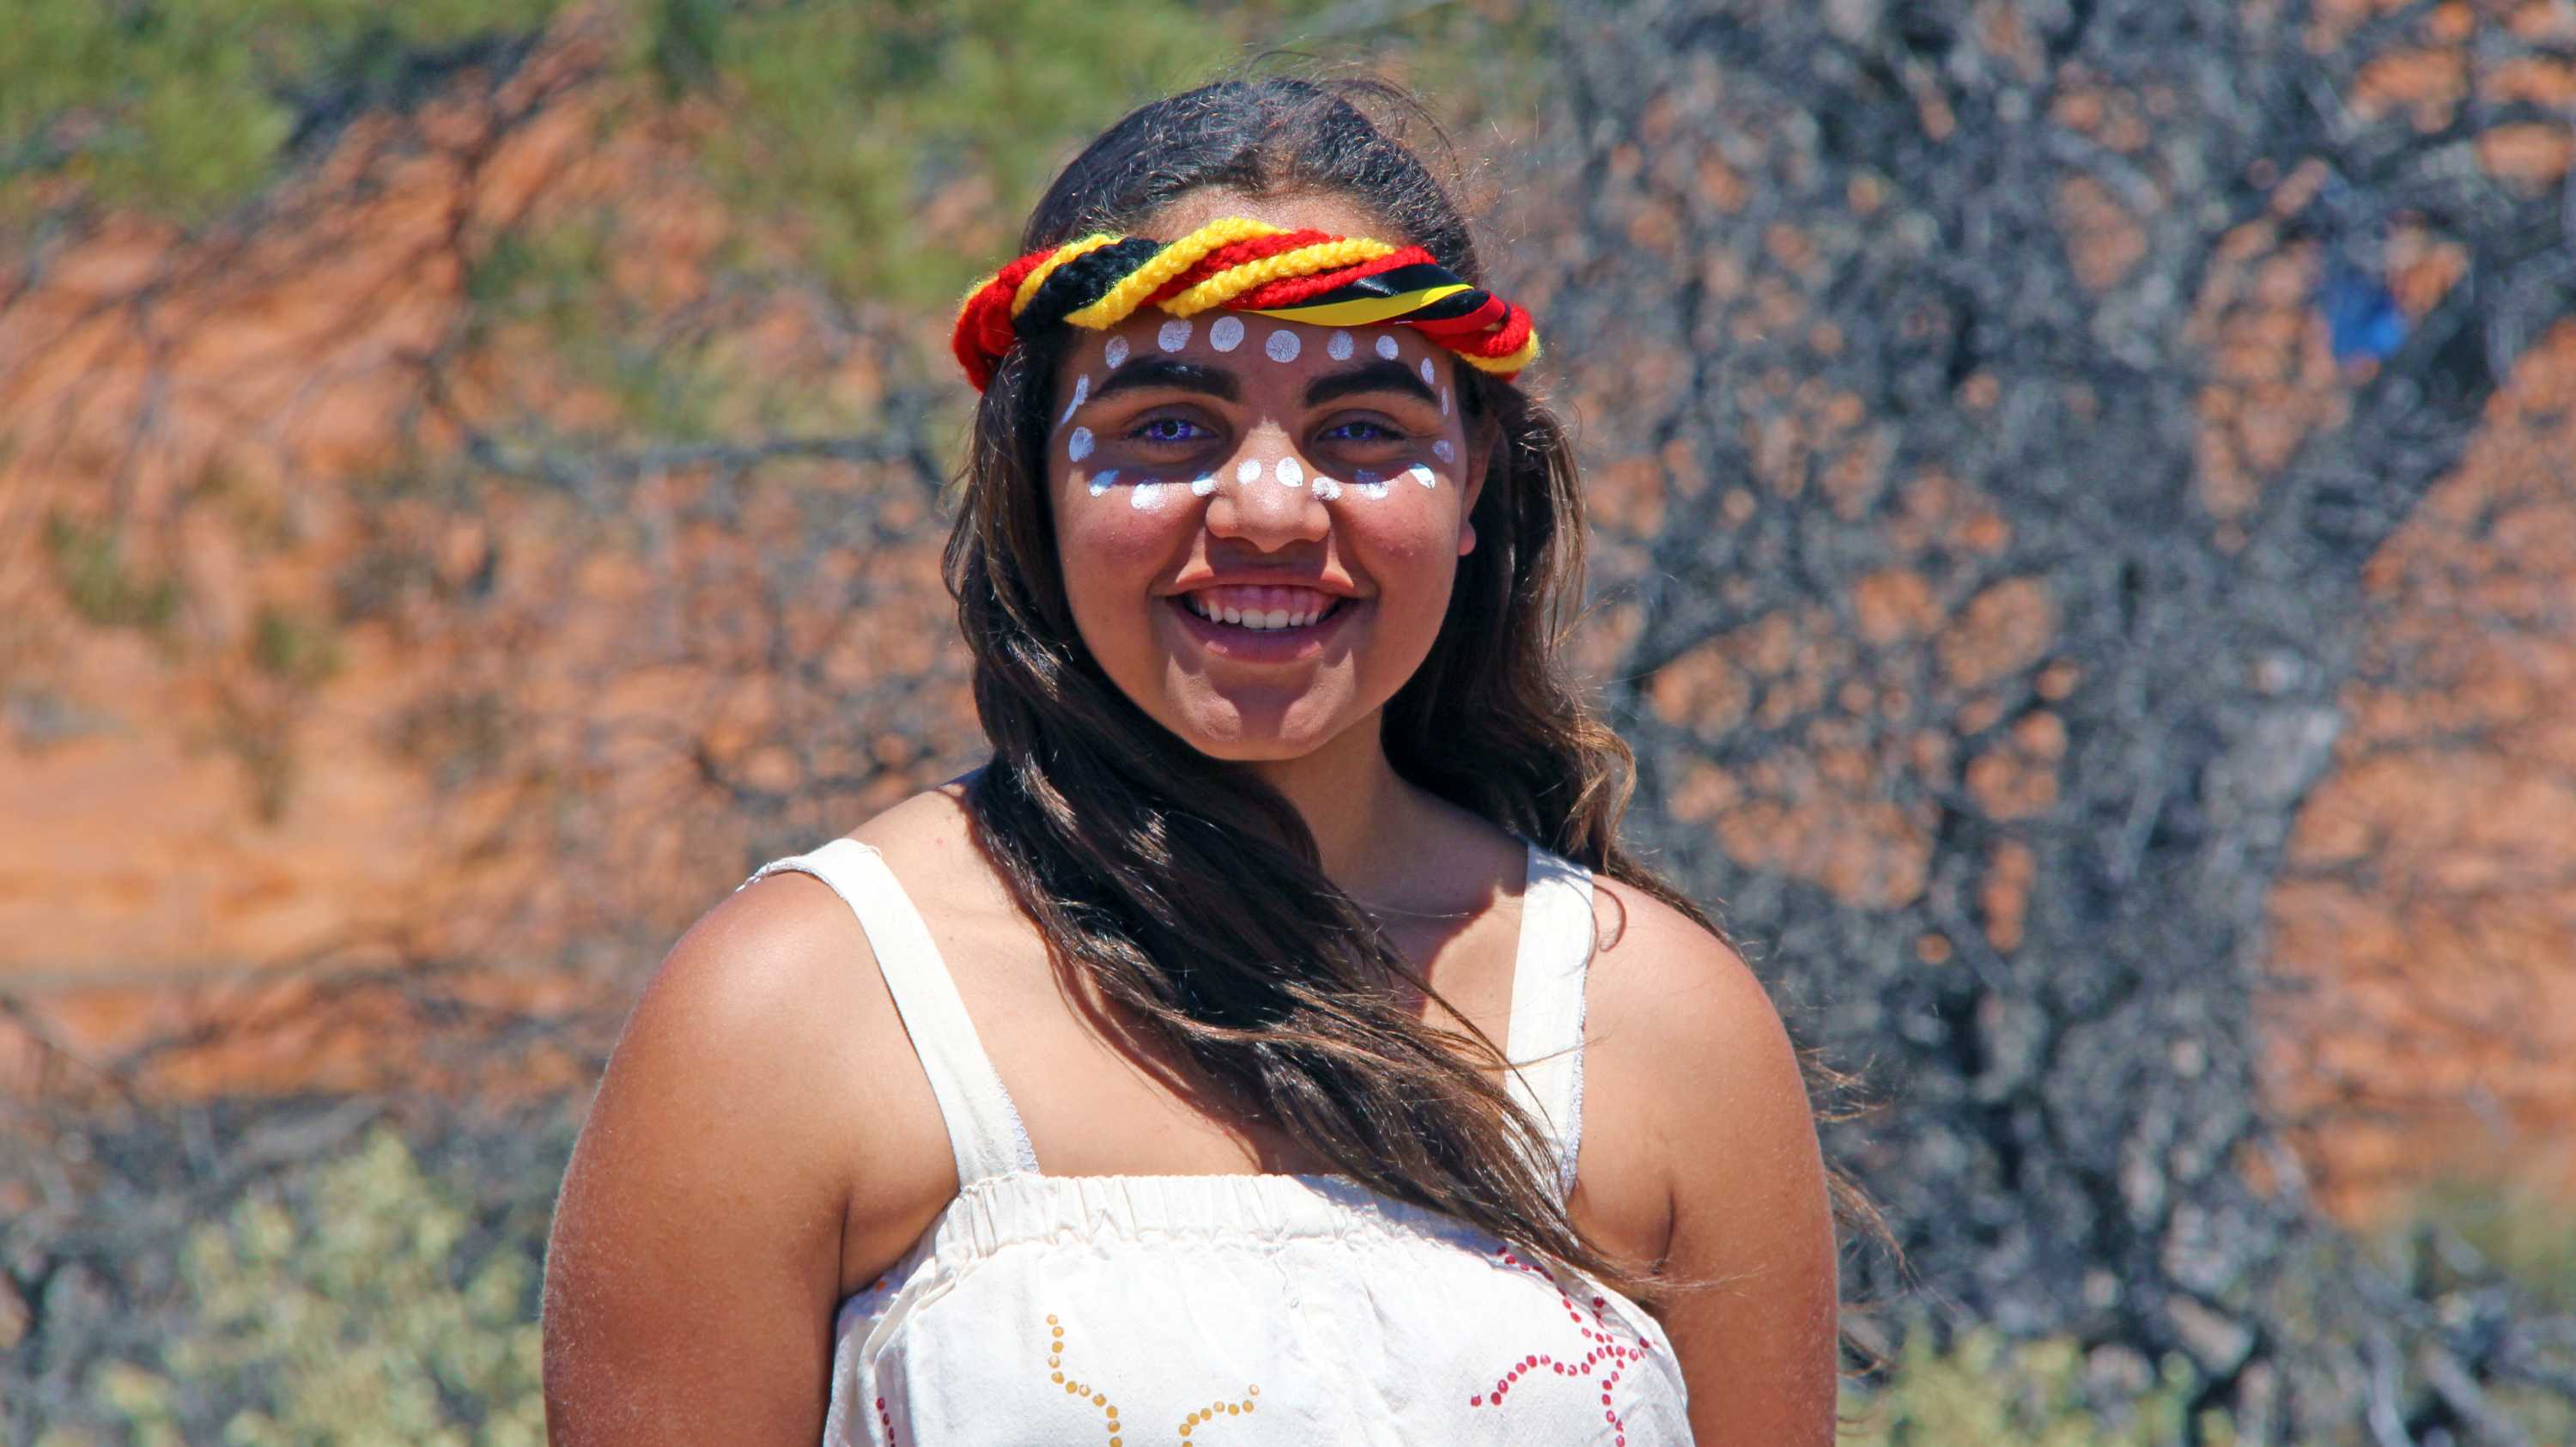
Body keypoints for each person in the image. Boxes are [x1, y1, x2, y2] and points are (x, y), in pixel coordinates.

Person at [541, 76, 1838, 1445]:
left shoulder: (1664, 1029)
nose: (1270, 506)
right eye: (1167, 424)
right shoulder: (798, 1014)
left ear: (1472, 491)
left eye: (1363, 430)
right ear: (1033, 487)